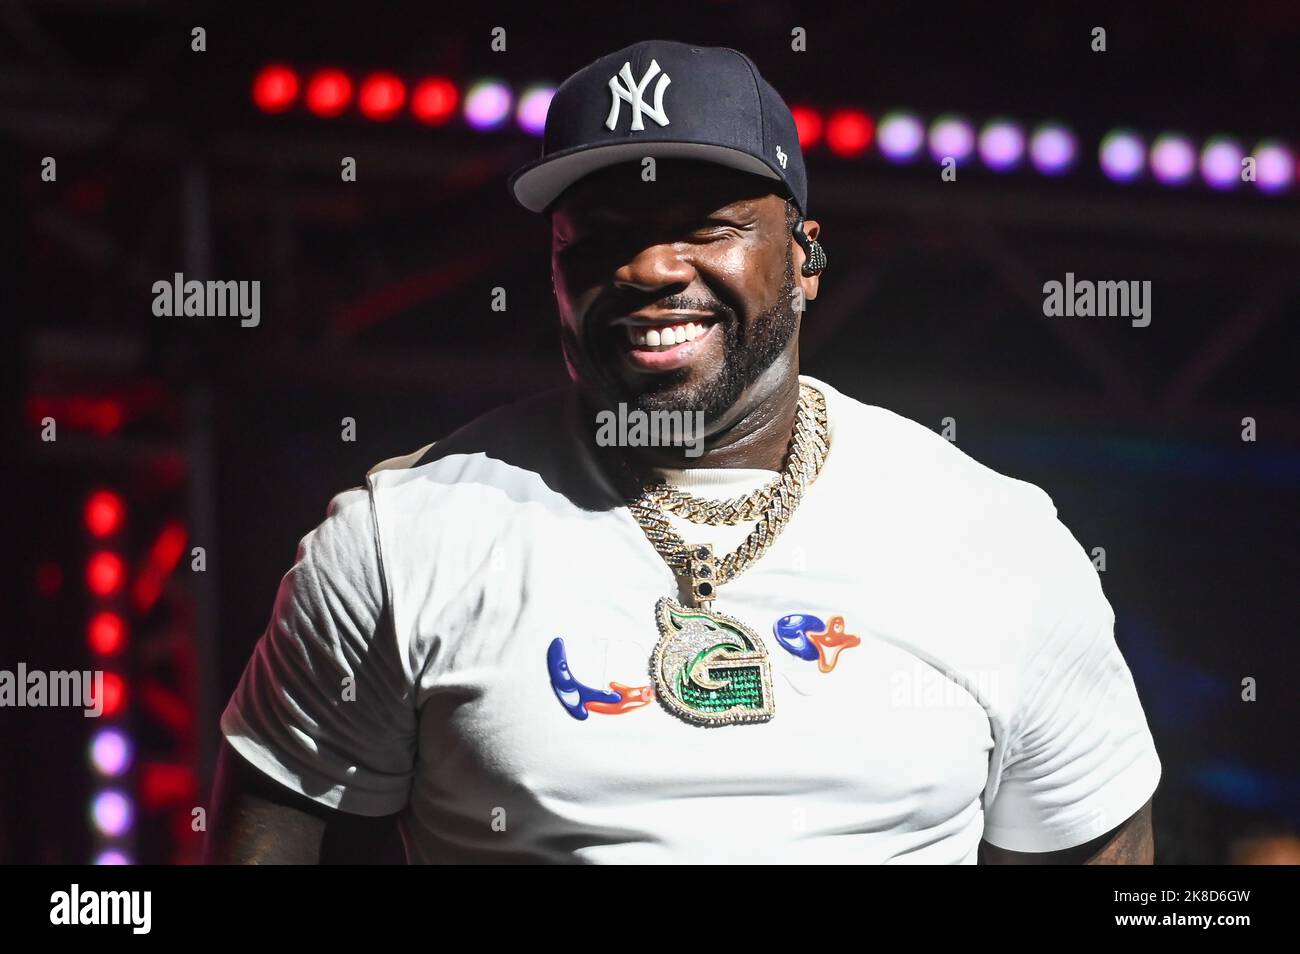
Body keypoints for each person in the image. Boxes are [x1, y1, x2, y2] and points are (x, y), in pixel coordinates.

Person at [207, 39, 1160, 864]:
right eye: (600, 239)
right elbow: (275, 836)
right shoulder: (403, 538)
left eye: (704, 226)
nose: (649, 269)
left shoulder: (993, 540)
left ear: (805, 258)